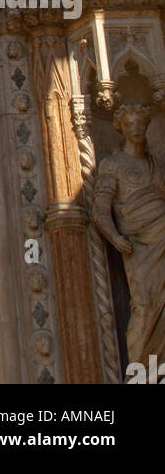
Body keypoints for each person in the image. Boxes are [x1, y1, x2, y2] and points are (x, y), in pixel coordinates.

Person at [94, 103, 165, 365]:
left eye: (140, 124)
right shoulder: (113, 165)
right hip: (138, 246)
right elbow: (100, 210)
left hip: (162, 237)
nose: (136, 128)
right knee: (144, 307)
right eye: (130, 124)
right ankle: (139, 369)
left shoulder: (155, 165)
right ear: (120, 127)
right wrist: (115, 238)